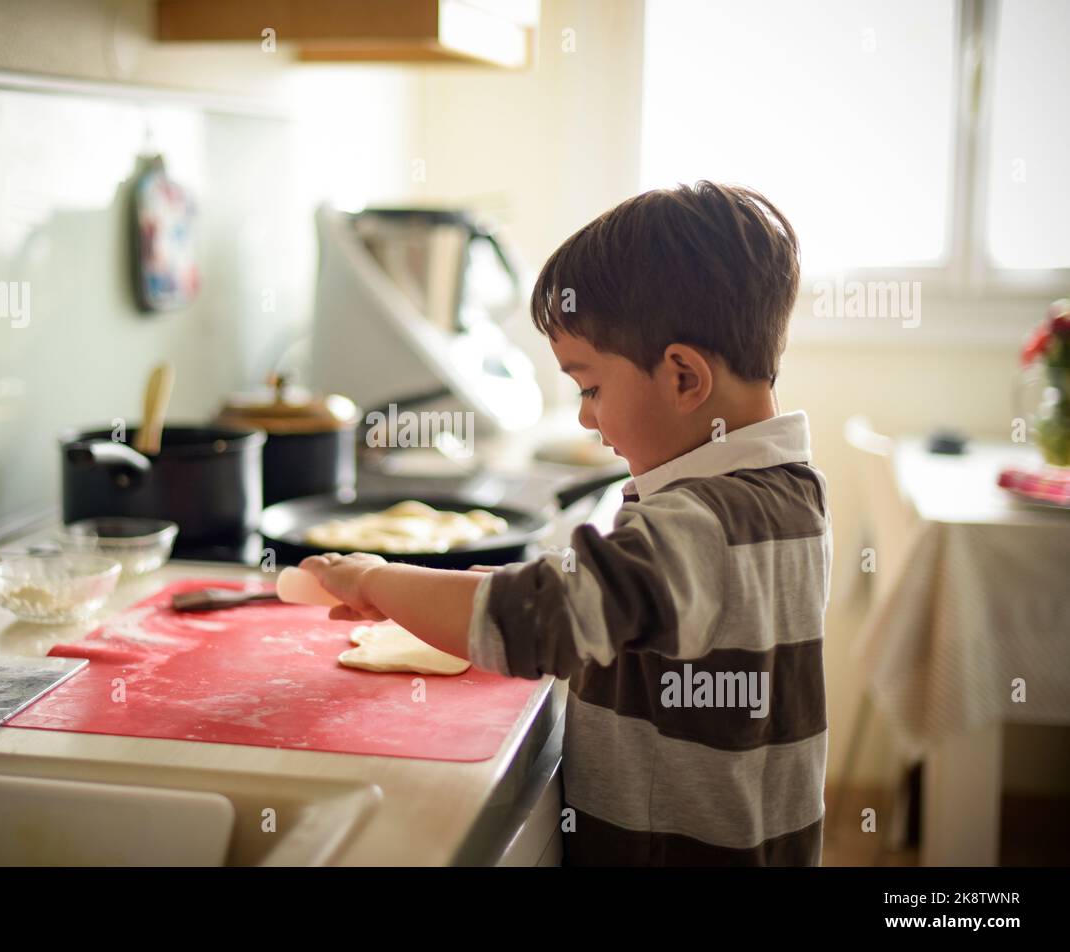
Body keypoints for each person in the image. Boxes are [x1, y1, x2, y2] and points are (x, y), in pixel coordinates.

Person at [301, 181, 831, 866]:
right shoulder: (783, 491)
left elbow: (539, 622)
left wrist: (377, 579)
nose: (585, 416)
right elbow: (626, 607)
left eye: (590, 387)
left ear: (683, 378)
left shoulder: (698, 523)